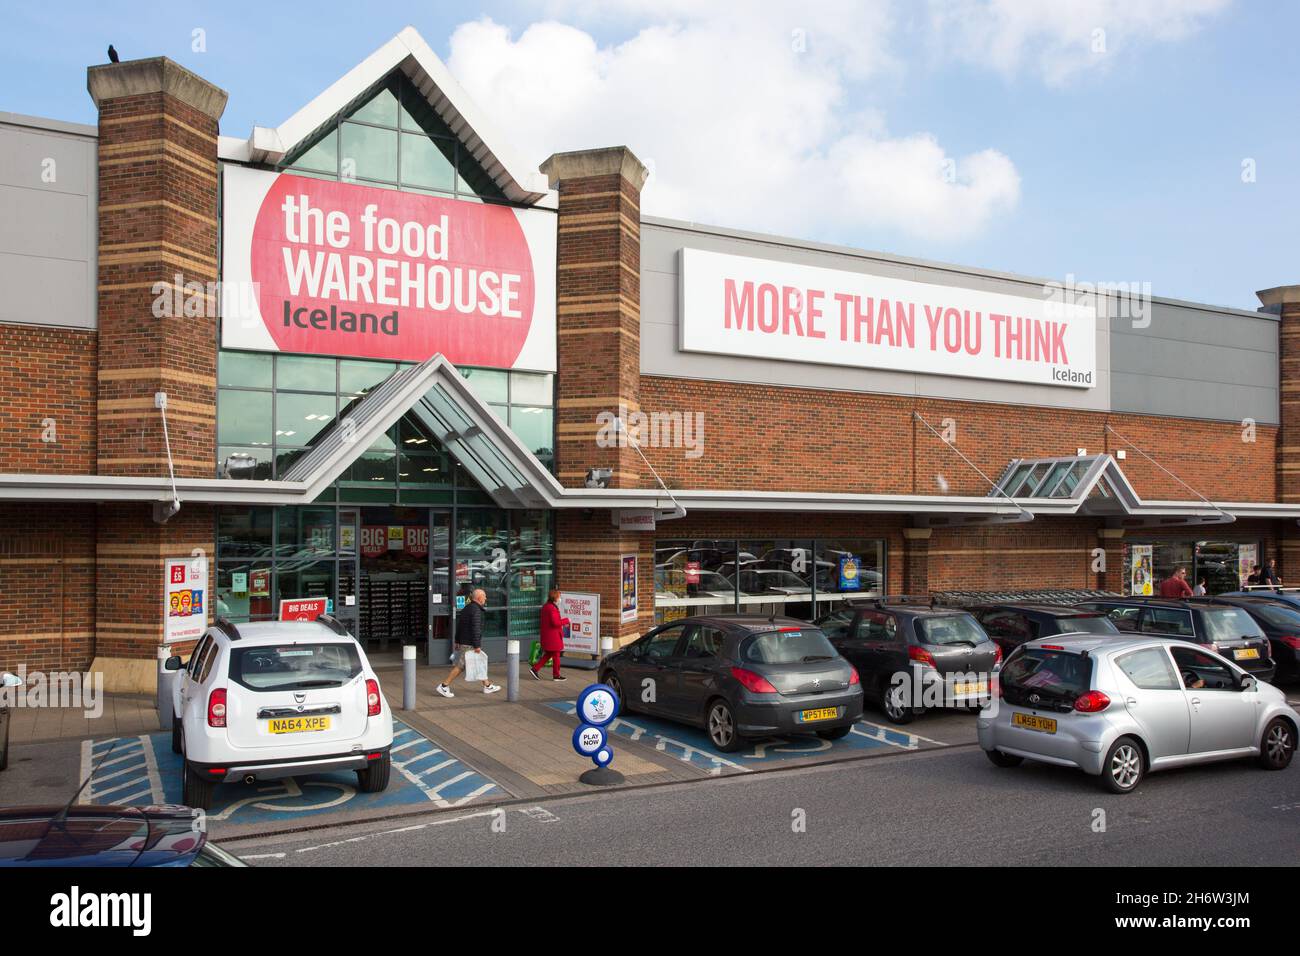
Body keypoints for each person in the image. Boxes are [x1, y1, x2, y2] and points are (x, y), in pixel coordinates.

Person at [436, 588, 500, 698]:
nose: (486, 598)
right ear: (479, 598)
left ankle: (487, 686)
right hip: (469, 643)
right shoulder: (476, 610)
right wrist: (477, 645)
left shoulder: (467, 608)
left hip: (464, 641)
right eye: (484, 596)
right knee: (460, 666)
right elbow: (475, 629)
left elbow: (460, 626)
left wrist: (457, 640)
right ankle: (444, 686)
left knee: (479, 662)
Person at [530, 589, 568, 682]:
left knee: (549, 654)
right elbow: (555, 622)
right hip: (553, 636)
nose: (560, 599)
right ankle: (556, 675)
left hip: (549, 636)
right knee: (556, 656)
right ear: (555, 597)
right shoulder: (552, 608)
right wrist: (566, 620)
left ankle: (535, 669)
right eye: (559, 597)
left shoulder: (547, 606)